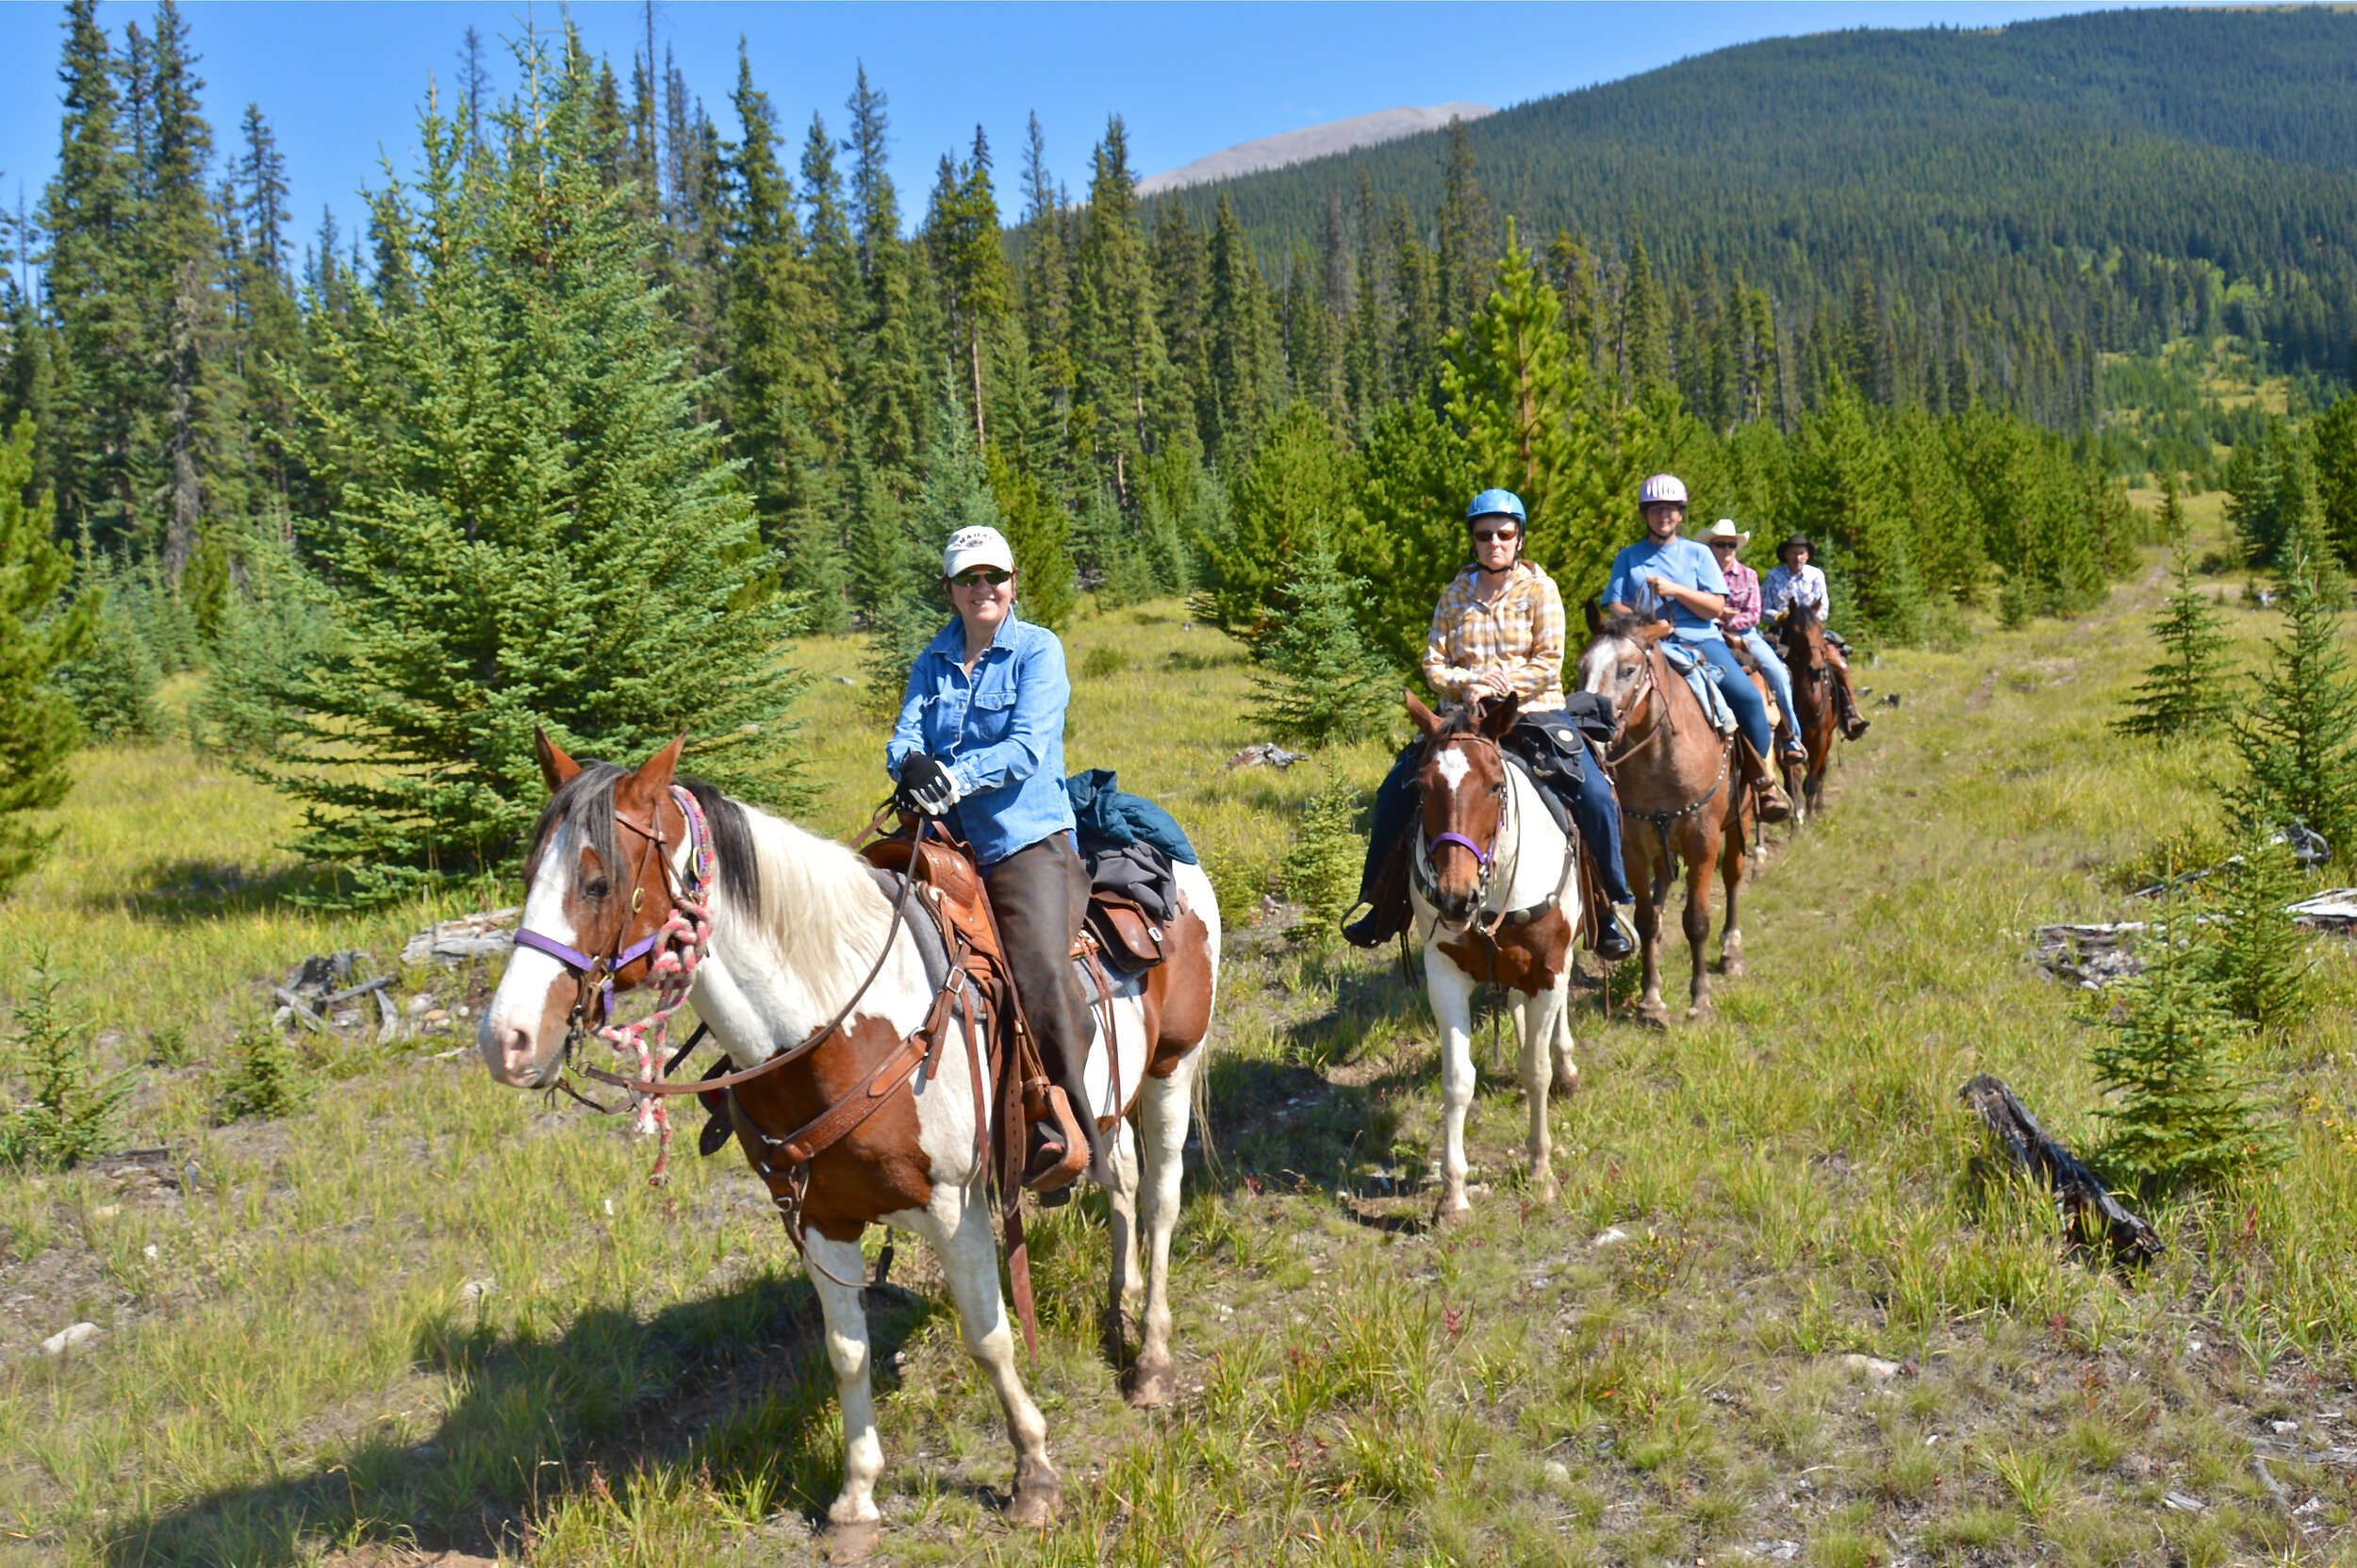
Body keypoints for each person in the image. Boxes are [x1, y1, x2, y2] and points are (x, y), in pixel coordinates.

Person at [887, 524, 1098, 1192]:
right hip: (944, 844)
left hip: (1023, 844)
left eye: (994, 576)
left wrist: (952, 777)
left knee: (1038, 971)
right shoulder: (933, 661)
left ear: (1013, 582)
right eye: (968, 579)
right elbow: (904, 739)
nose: (983, 588)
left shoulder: (1039, 650)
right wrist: (911, 763)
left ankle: (1067, 1132)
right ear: (950, 590)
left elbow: (1027, 746)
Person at [1341, 488, 1639, 958]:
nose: (1494, 542)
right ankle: (1380, 904)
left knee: (1596, 794)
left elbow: (1548, 661)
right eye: (1484, 535)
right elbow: (1433, 661)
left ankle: (1607, 909)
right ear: (1473, 540)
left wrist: (1499, 687)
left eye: (1504, 533)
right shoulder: (1454, 593)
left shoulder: (1542, 589)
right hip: (1463, 717)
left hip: (1533, 712)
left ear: (1519, 538)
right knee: (1394, 790)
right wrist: (1471, 683)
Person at [1601, 475, 1795, 823]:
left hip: (1701, 640)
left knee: (1749, 700)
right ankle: (1606, 783)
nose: (1665, 515)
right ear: (1645, 513)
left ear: (1681, 514)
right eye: (1657, 509)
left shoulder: (1698, 553)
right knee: (1606, 699)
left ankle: (1763, 785)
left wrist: (1675, 589)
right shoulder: (1629, 557)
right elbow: (1614, 605)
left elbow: (1715, 607)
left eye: (1672, 509)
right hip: (1647, 643)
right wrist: (1647, 627)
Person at [1702, 519, 1806, 763]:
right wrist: (1715, 618)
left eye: (1731, 545)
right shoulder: (1700, 574)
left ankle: (1791, 737)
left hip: (1745, 635)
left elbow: (1754, 613)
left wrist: (1726, 620)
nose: (1726, 550)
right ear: (1711, 546)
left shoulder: (1748, 575)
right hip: (1707, 634)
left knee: (1778, 673)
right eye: (1720, 544)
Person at [1760, 535, 1871, 740]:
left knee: (1841, 666)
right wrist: (1780, 616)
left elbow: (1824, 609)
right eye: (1793, 552)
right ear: (1786, 555)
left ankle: (1850, 715)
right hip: (1782, 633)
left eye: (1801, 552)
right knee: (1763, 668)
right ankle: (1763, 720)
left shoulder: (1816, 575)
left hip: (1812, 634)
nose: (1797, 557)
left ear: (1808, 555)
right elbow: (1763, 608)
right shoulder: (1774, 576)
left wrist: (1807, 621)